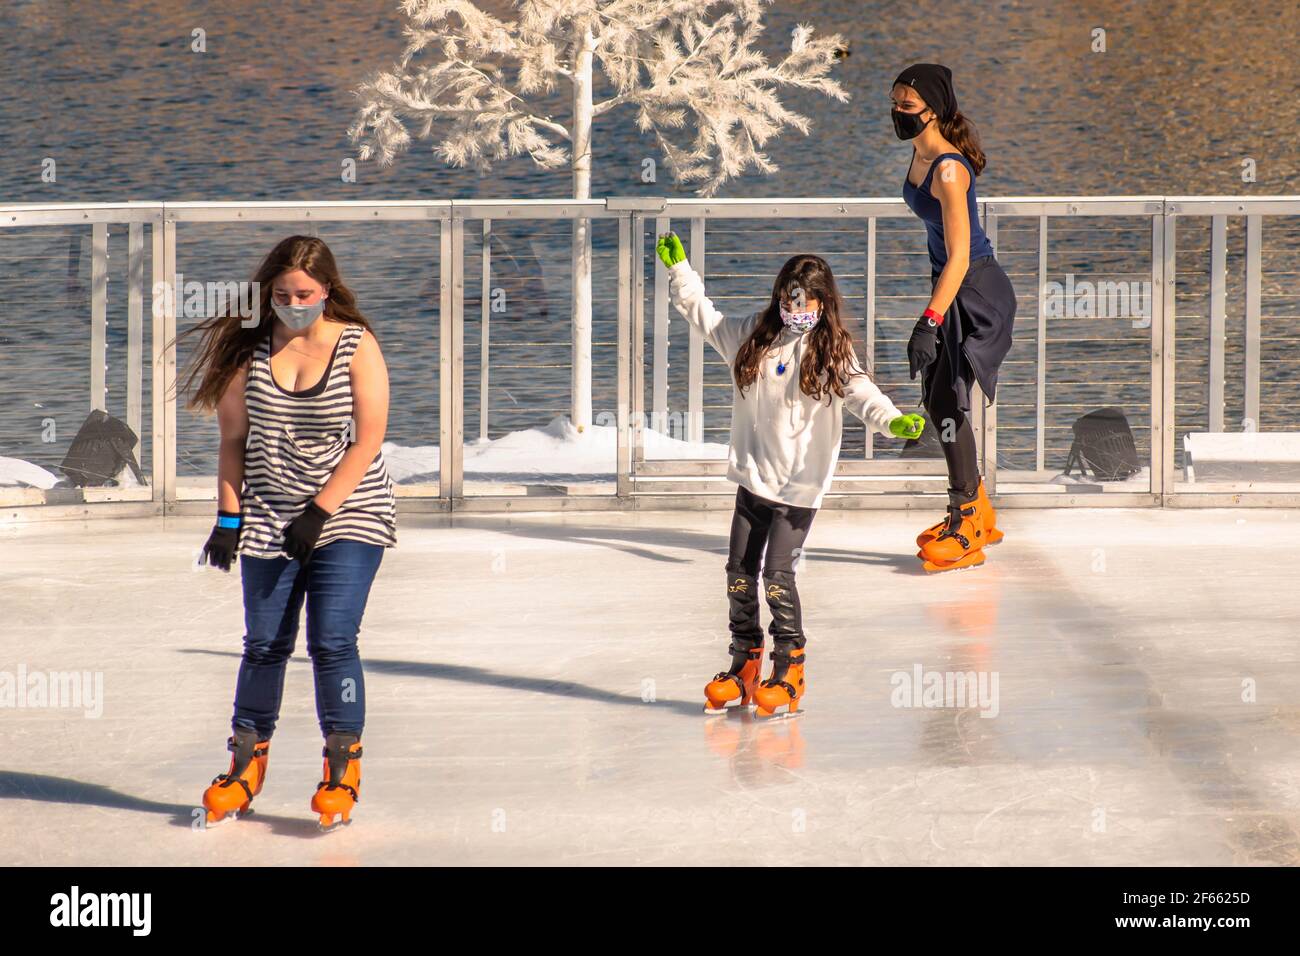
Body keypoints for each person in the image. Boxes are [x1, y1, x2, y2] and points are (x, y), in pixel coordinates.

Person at [657, 232, 924, 718]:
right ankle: (744, 664)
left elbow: (863, 394)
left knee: (777, 577)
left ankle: (789, 668)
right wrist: (681, 273)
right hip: (753, 478)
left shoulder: (832, 351)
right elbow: (704, 316)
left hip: (799, 487)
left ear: (823, 302)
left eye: (804, 300)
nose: (794, 307)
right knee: (740, 574)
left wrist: (893, 421)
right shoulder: (753, 336)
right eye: (787, 298)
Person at [179, 235, 397, 830]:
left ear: (327, 290)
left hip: (348, 510)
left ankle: (341, 766)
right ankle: (246, 764)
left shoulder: (356, 346)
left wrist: (320, 512)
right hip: (270, 513)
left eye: (305, 293)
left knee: (331, 640)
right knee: (265, 643)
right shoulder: (249, 352)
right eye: (282, 294)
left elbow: (368, 440)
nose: (294, 303)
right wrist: (228, 519)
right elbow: (231, 441)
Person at [893, 62, 1017, 571]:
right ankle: (978, 509)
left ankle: (965, 519)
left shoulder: (947, 167)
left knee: (945, 399)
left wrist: (929, 321)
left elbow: (962, 255)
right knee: (937, 396)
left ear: (935, 109)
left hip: (976, 290)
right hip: (950, 286)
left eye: (908, 106)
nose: (899, 113)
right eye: (895, 103)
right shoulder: (920, 157)